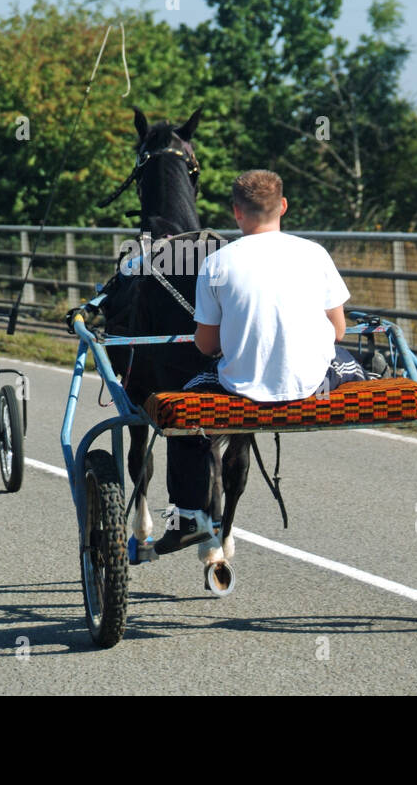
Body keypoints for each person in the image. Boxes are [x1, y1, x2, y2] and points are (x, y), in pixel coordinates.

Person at [155, 169, 366, 554]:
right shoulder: (314, 253)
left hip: (242, 389)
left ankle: (187, 513)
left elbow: (205, 345)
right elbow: (338, 331)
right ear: (283, 206)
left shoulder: (217, 264)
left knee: (180, 408)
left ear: (236, 212)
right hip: (313, 386)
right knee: (354, 364)